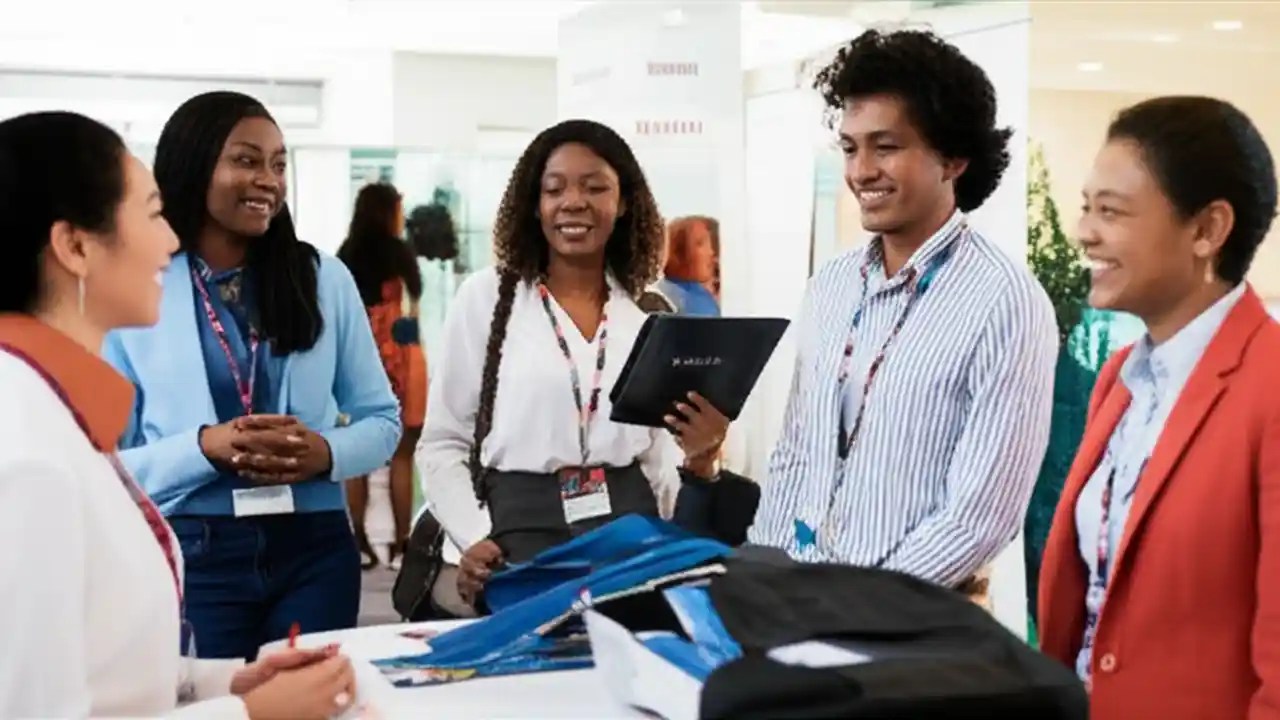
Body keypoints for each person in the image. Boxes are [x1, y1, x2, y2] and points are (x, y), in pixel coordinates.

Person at [0, 111, 358, 719]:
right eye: (150, 214)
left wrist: (226, 683)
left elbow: (96, 663)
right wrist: (254, 715)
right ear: (76, 246)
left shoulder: (56, 414)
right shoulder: (27, 457)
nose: (170, 241)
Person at [747, 29, 1058, 596]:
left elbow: (980, 515)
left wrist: (867, 605)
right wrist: (765, 576)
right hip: (798, 602)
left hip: (913, 621)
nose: (862, 170)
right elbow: (797, 454)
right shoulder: (832, 286)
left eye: (885, 146)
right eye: (849, 147)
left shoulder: (1004, 299)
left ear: (954, 157)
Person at [102, 91, 401, 659]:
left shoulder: (322, 278)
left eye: (279, 164)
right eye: (246, 159)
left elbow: (382, 421)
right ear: (193, 164)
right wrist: (204, 447)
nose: (268, 179)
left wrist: (323, 453)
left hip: (314, 547)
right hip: (195, 545)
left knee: (308, 702)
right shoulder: (138, 285)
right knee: (211, 706)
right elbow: (108, 462)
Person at [415, 119, 756, 616]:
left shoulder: (648, 312)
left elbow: (659, 455)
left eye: (595, 187)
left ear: (622, 204)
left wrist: (697, 474)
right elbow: (443, 441)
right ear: (535, 204)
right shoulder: (487, 299)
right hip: (517, 532)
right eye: (555, 189)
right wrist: (474, 535)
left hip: (627, 529)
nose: (573, 202)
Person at [1038, 96, 1280, 719]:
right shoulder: (1122, 377)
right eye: (1086, 207)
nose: (1085, 232)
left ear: (1207, 230)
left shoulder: (1269, 385)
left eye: (1111, 212)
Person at [338, 182, 426, 570]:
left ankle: (359, 542)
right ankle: (401, 544)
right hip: (401, 362)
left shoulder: (346, 256)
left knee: (358, 458)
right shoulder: (400, 254)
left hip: (357, 361)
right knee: (402, 455)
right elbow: (413, 309)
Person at [656, 216, 721, 316]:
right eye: (700, 243)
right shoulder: (698, 304)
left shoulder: (659, 292)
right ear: (678, 253)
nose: (711, 253)